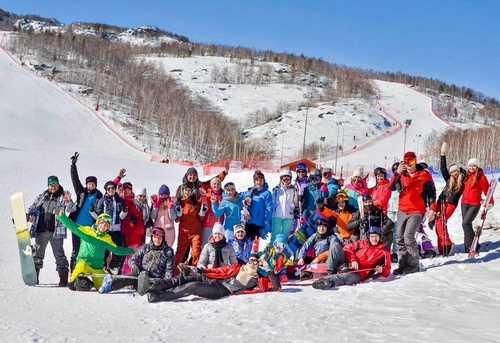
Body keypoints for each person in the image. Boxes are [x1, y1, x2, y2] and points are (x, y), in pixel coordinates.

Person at [140, 255, 280, 302]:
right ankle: (153, 287)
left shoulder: (258, 278)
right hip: (215, 282)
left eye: (257, 262)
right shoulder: (238, 266)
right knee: (187, 277)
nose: (253, 262)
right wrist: (201, 270)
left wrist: (268, 269)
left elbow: (276, 286)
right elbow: (220, 270)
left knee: (192, 287)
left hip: (222, 290)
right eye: (252, 260)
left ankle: (158, 297)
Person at [58, 213, 134, 291]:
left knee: (103, 287)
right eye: (102, 224)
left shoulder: (107, 238)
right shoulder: (87, 231)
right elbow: (73, 226)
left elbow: (117, 250)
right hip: (84, 263)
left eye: (107, 226)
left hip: (97, 268)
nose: (103, 227)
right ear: (98, 223)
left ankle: (94, 283)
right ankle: (78, 281)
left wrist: (132, 251)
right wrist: (61, 217)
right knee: (74, 284)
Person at [390, 152, 435, 275]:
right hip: (402, 209)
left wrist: (432, 208)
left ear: (415, 162)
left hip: (417, 210)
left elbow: (431, 192)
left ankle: (413, 265)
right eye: (406, 162)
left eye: (411, 162)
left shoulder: (424, 174)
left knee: (408, 236)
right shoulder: (401, 174)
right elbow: (391, 187)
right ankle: (402, 264)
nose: (409, 165)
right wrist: (397, 173)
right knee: (399, 237)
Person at [98, 227, 175, 293]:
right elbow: (134, 258)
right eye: (155, 237)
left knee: (150, 285)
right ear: (152, 237)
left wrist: (165, 283)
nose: (157, 240)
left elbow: (169, 270)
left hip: (154, 280)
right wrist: (134, 266)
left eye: (159, 238)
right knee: (128, 278)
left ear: (163, 238)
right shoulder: (146, 247)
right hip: (141, 275)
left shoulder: (168, 252)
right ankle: (110, 285)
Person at [312, 226, 391, 289]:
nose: (374, 239)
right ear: (369, 237)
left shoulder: (384, 251)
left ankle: (327, 281)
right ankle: (330, 272)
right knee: (336, 246)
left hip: (359, 273)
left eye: (376, 236)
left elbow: (387, 271)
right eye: (372, 236)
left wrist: (382, 270)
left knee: (346, 277)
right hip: (347, 263)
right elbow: (347, 248)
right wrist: (353, 260)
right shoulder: (362, 243)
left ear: (380, 237)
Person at [27, 176, 71, 286]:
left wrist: (69, 201)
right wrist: (29, 216)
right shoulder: (42, 196)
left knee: (59, 254)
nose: (53, 187)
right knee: (37, 254)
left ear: (58, 185)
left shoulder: (63, 196)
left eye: (55, 185)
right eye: (51, 185)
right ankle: (34, 277)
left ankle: (63, 278)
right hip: (41, 230)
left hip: (56, 231)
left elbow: (71, 209)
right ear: (48, 185)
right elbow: (33, 208)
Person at [427, 142, 466, 255]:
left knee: (441, 221)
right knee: (438, 225)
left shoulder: (462, 182)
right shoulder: (448, 180)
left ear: (458, 171)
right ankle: (441, 247)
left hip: (451, 204)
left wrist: (463, 171)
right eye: (452, 171)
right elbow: (443, 168)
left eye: (456, 171)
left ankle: (448, 245)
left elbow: (469, 174)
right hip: (441, 201)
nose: (454, 173)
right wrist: (442, 154)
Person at [68, 152, 103, 272]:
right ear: (86, 184)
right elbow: (75, 180)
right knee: (76, 250)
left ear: (96, 185)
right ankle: (73, 272)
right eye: (89, 184)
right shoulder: (81, 192)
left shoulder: (99, 196)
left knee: (87, 251)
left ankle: (85, 272)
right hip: (77, 227)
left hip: (90, 229)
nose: (90, 186)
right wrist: (73, 166)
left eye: (93, 184)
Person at [460, 157, 494, 253]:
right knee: (466, 225)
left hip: (474, 204)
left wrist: (490, 202)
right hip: (464, 203)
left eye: (474, 165)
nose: (471, 167)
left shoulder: (480, 176)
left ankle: (472, 246)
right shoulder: (466, 175)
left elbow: (487, 190)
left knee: (465, 223)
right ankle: (469, 246)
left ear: (477, 166)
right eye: (470, 165)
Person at [94, 180, 127, 272]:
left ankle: (114, 267)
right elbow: (98, 214)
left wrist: (124, 211)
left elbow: (121, 217)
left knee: (118, 247)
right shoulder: (103, 200)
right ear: (106, 190)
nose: (111, 190)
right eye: (108, 189)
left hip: (116, 228)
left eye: (113, 188)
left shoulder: (120, 200)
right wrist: (93, 211)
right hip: (106, 229)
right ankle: (103, 266)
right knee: (105, 248)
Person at [175, 185, 203, 266]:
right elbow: (176, 220)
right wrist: (178, 214)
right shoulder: (180, 203)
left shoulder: (196, 202)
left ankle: (194, 269)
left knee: (196, 251)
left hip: (195, 231)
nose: (187, 192)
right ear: (183, 191)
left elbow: (201, 217)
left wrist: (203, 212)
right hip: (184, 232)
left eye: (189, 190)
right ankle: (175, 269)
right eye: (186, 190)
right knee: (180, 252)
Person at [241, 170, 273, 239]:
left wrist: (265, 227)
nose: (259, 182)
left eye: (261, 179)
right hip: (248, 223)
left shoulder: (267, 193)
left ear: (264, 180)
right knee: (246, 246)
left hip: (259, 226)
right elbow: (238, 197)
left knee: (255, 248)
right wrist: (245, 200)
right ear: (254, 181)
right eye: (257, 180)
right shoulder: (250, 192)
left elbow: (269, 211)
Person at [271, 170, 298, 242]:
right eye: (284, 179)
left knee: (285, 235)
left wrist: (295, 211)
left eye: (288, 179)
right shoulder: (276, 190)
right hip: (277, 216)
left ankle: (282, 251)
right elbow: (272, 203)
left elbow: (296, 203)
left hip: (289, 216)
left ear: (290, 180)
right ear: (281, 179)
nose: (286, 181)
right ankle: (271, 250)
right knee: (275, 234)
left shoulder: (293, 190)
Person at [200, 176, 224, 245]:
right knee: (205, 245)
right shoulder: (207, 195)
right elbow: (202, 210)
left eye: (218, 184)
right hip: (208, 223)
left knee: (217, 246)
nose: (216, 185)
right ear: (211, 185)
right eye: (214, 184)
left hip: (219, 224)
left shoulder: (224, 196)